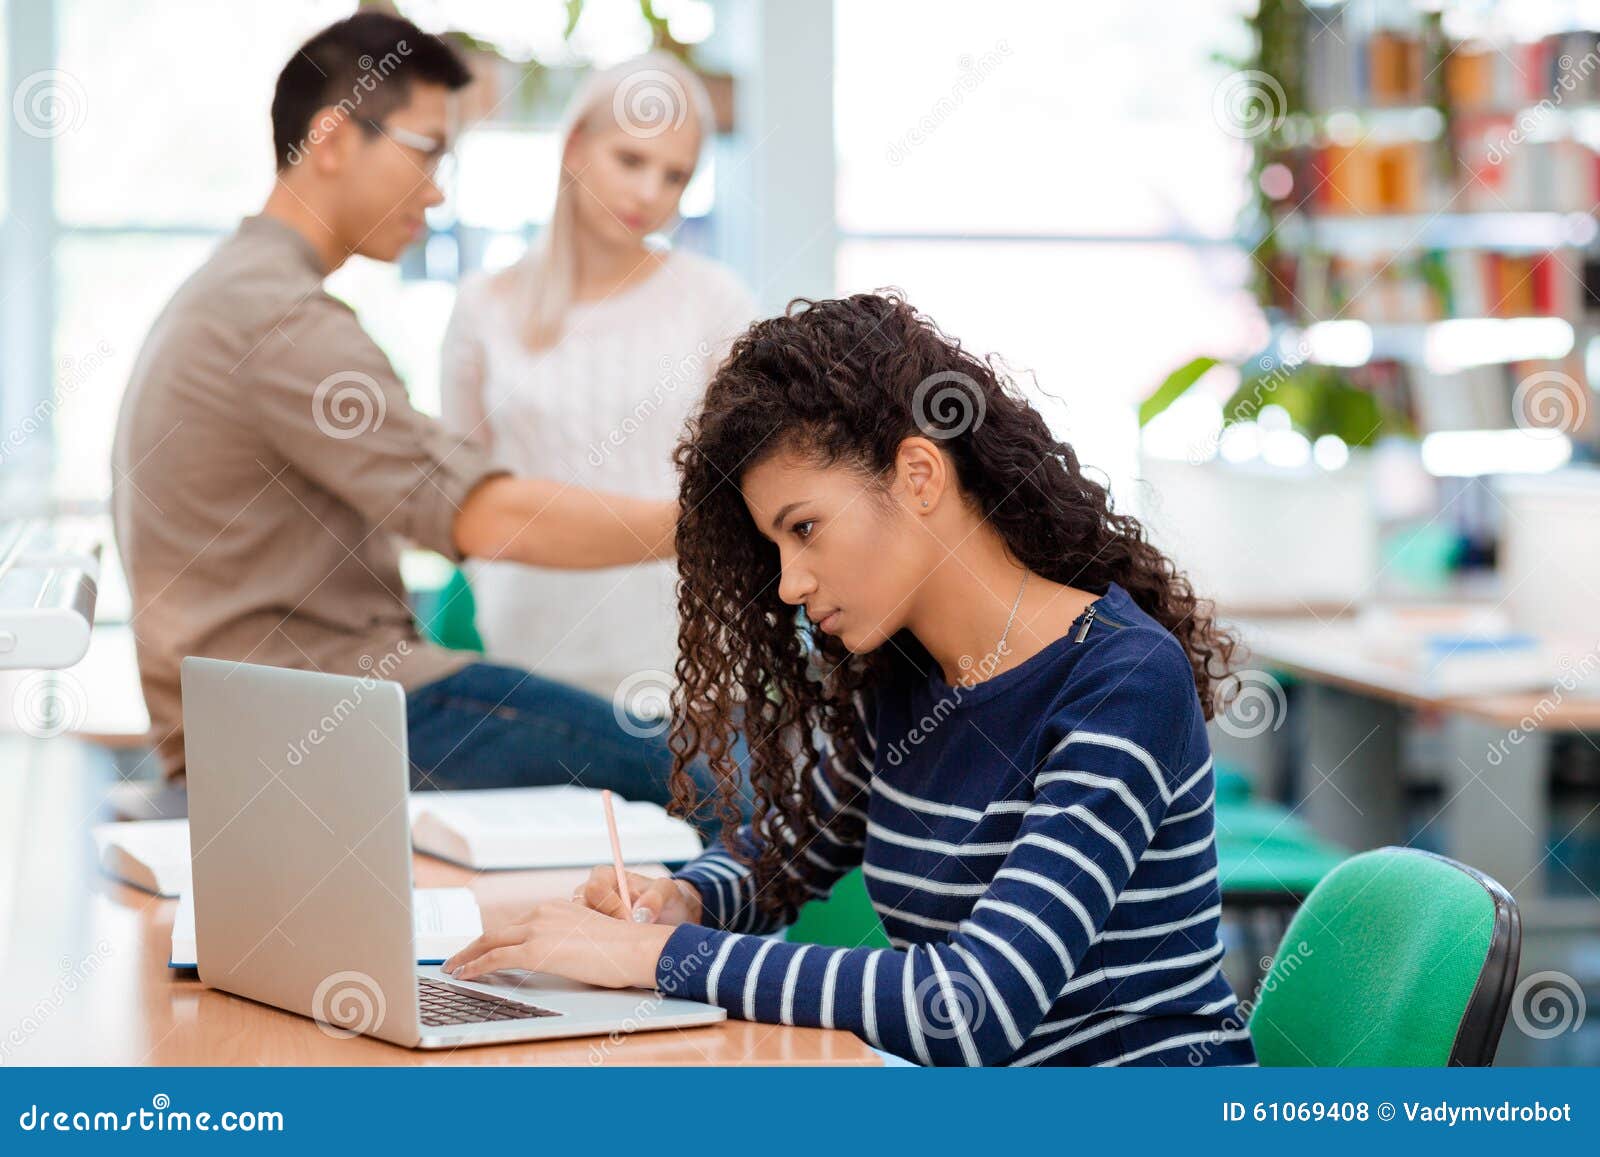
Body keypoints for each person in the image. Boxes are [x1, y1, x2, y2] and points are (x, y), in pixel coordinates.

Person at [445, 292, 1257, 1068]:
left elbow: (971, 1007)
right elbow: (778, 858)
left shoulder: (1120, 681)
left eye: (805, 528)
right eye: (776, 547)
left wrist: (656, 955)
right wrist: (681, 902)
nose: (791, 582)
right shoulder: (905, 675)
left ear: (918, 475)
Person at [110, 11, 737, 828]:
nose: (438, 189)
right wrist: (715, 526)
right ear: (334, 140)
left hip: (279, 710)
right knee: (723, 780)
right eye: (427, 149)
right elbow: (483, 513)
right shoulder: (275, 318)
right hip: (330, 710)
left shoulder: (237, 294)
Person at [441, 54, 754, 701]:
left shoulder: (714, 301)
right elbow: (457, 482)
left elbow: (751, 478)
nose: (649, 194)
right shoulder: (482, 305)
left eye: (675, 176)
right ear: (577, 147)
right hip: (527, 652)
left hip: (686, 660)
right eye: (631, 160)